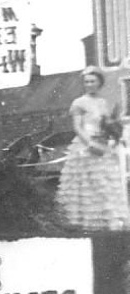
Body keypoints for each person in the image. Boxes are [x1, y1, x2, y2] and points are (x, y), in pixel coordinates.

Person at [55, 66, 129, 231]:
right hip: (85, 144)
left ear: (99, 82)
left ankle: (107, 222)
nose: (89, 84)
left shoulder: (103, 102)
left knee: (104, 183)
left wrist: (112, 136)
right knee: (86, 183)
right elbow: (77, 127)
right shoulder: (79, 102)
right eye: (86, 82)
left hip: (101, 143)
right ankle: (83, 224)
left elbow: (107, 124)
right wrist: (89, 143)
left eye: (92, 81)